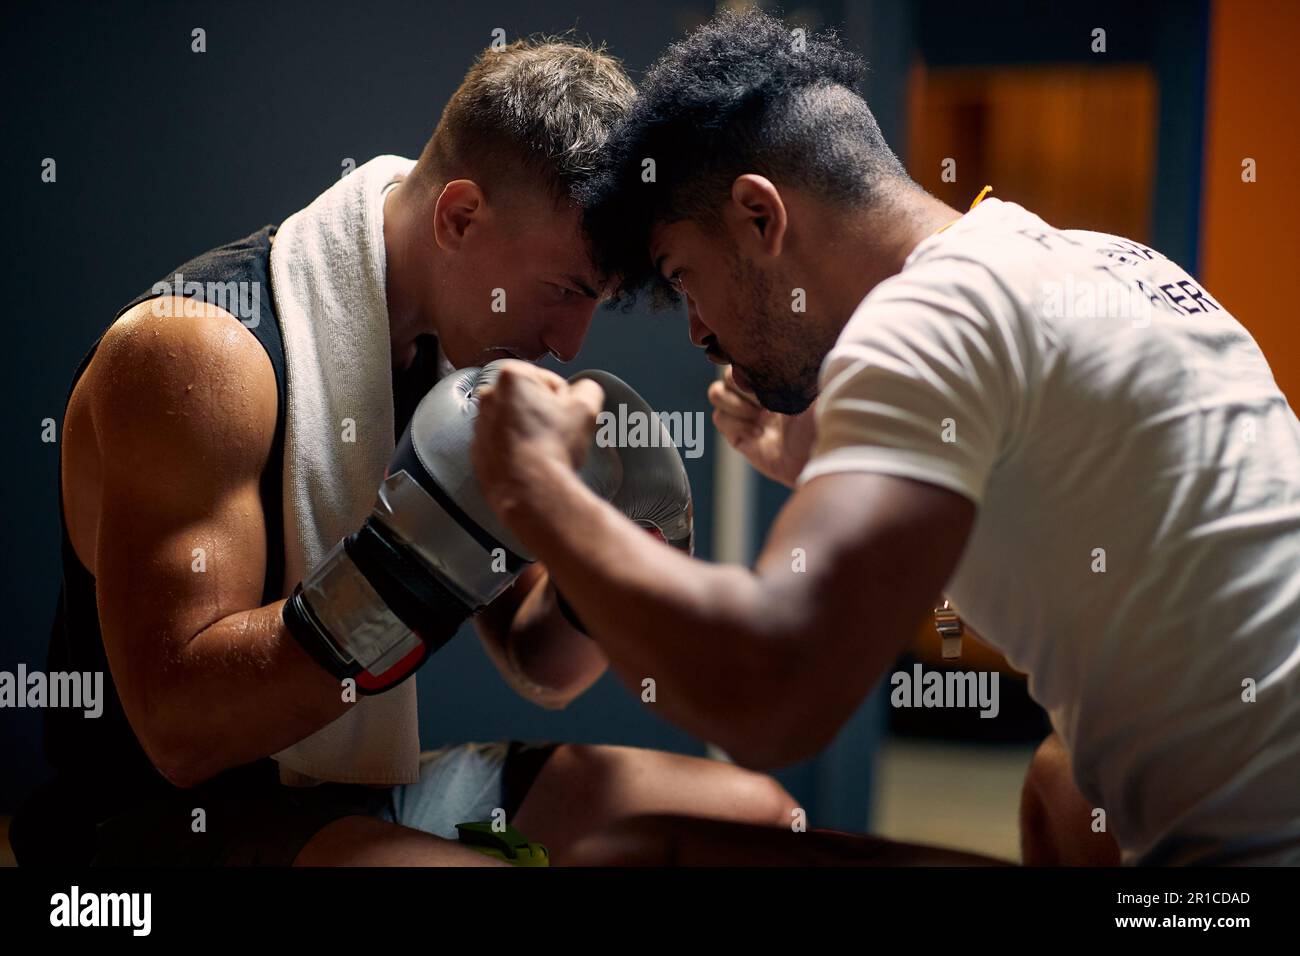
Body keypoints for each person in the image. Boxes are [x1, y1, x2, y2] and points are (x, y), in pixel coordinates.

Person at [469, 10, 1300, 866]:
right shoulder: (1102, 261)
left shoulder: (929, 319)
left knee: (639, 857)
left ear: (761, 217)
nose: (697, 332)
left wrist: (535, 486)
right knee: (1063, 787)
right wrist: (837, 460)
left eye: (685, 278)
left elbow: (773, 695)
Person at [10, 36, 796, 868]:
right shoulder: (198, 356)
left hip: (352, 795)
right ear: (458, 217)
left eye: (592, 303)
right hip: (157, 825)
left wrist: (605, 564)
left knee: (753, 821)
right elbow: (179, 734)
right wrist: (412, 564)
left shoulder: (462, 369)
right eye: (565, 292)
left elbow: (541, 665)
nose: (570, 344)